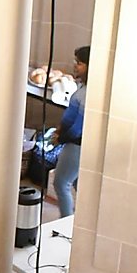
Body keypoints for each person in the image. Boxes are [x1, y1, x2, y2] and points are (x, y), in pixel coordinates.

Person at [53, 44, 89, 217]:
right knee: (76, 183)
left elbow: (77, 128)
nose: (76, 66)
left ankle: (65, 223)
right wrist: (60, 130)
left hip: (76, 145)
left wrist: (60, 138)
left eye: (80, 63)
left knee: (61, 183)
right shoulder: (82, 87)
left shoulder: (88, 94)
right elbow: (70, 116)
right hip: (72, 141)